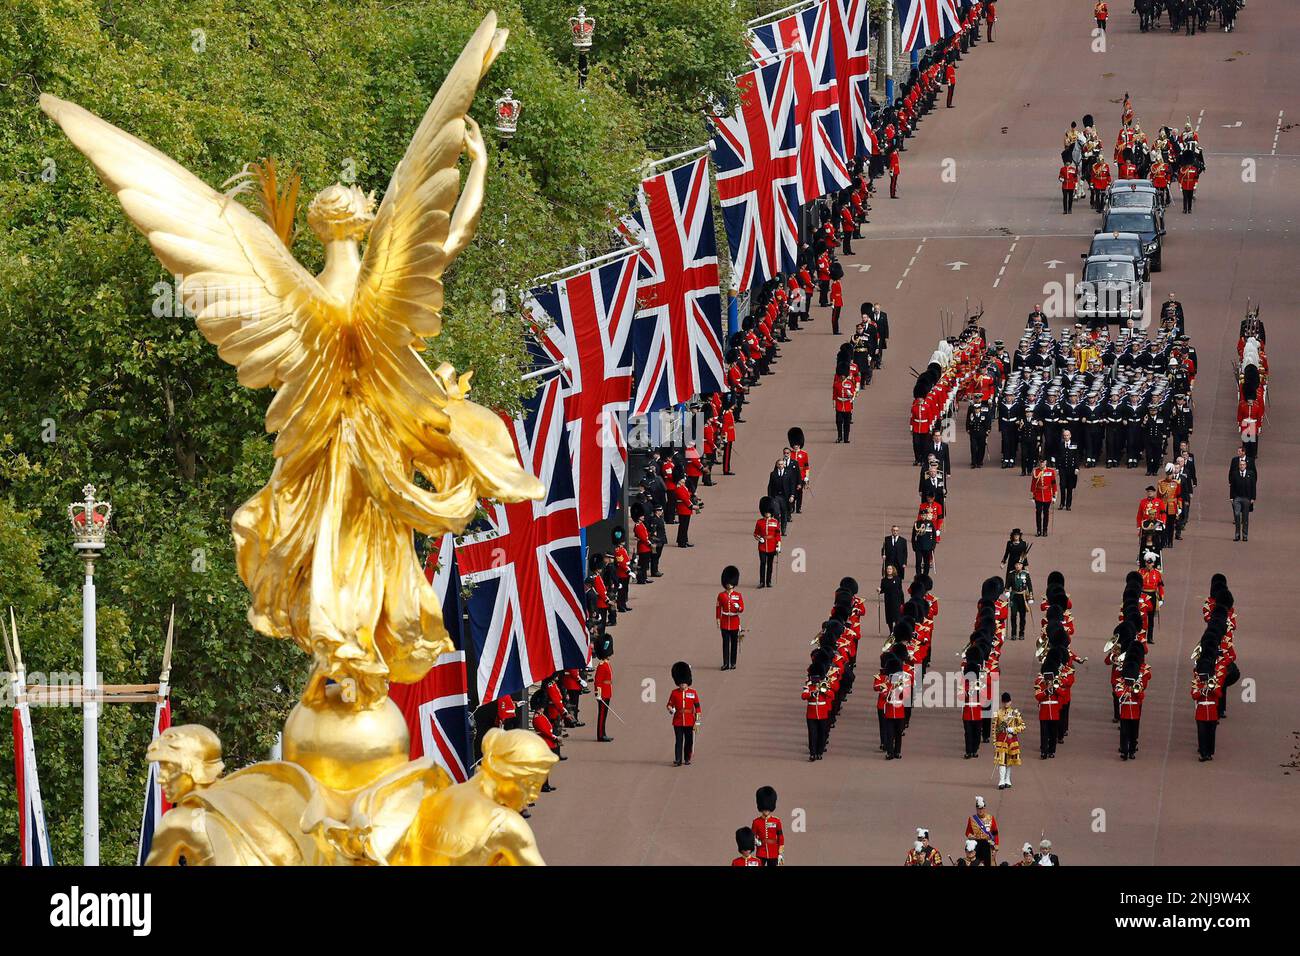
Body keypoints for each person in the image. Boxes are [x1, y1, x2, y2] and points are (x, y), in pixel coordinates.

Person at [1115, 643, 1149, 760]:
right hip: (1124, 711)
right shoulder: (1121, 682)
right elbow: (1118, 693)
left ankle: (1132, 750)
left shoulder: (1137, 683)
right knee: (1124, 733)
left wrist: (1134, 690)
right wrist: (1126, 691)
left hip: (1134, 711)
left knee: (1133, 733)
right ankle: (1124, 751)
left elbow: (1141, 695)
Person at [666, 662, 701, 767]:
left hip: (690, 720)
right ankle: (678, 759)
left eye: (684, 683)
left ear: (688, 682)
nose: (682, 685)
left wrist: (697, 722)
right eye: (680, 683)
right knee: (679, 741)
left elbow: (698, 709)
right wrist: (670, 710)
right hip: (678, 720)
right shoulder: (674, 693)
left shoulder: (693, 693)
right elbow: (669, 705)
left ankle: (687, 758)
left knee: (689, 741)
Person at [993, 692, 1026, 789]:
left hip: (1011, 740)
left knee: (1010, 761)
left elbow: (1023, 726)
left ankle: (1007, 779)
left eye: (1007, 702)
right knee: (1001, 760)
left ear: (1010, 702)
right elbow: (995, 729)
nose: (1006, 704)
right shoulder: (997, 713)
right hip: (1001, 739)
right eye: (1004, 702)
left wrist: (1013, 729)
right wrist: (994, 741)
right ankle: (1001, 780)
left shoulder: (1015, 713)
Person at [716, 565, 745, 671]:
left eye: (731, 582)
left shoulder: (738, 595)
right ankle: (725, 663)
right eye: (727, 582)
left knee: (733, 644)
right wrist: (718, 619)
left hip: (734, 622)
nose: (729, 584)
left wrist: (739, 608)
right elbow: (718, 607)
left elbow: (742, 608)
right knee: (725, 644)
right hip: (724, 621)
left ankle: (733, 663)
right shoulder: (721, 595)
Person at [802, 661, 831, 761]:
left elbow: (832, 695)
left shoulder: (824, 685)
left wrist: (824, 690)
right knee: (812, 734)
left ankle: (819, 752)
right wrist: (812, 694)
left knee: (821, 733)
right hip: (811, 714)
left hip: (822, 714)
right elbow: (803, 696)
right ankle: (813, 753)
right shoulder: (808, 686)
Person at [1228, 447, 1257, 541]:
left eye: (1243, 465)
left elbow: (1253, 486)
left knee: (1245, 517)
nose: (1241, 466)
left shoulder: (1250, 474)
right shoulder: (1235, 474)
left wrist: (1253, 498)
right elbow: (1232, 486)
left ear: (1246, 466)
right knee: (1237, 515)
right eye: (1240, 465)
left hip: (1247, 498)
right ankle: (1237, 535)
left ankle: (1245, 535)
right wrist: (1231, 497)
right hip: (1237, 498)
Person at [754, 497, 782, 589]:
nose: (767, 513)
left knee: (770, 564)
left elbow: (778, 535)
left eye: (768, 512)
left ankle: (768, 581)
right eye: (765, 512)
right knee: (762, 563)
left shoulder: (775, 522)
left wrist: (778, 545)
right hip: (762, 546)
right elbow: (755, 533)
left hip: (772, 545)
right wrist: (759, 538)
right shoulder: (759, 522)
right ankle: (762, 582)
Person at [752, 787, 784, 866]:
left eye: (767, 809)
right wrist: (756, 842)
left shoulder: (777, 821)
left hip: (774, 852)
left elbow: (780, 837)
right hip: (761, 852)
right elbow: (752, 836)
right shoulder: (756, 822)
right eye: (764, 809)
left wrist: (780, 853)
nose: (766, 811)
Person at [965, 796, 999, 865]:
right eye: (978, 809)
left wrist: (996, 844)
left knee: (988, 863)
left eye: (982, 808)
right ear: (976, 809)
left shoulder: (990, 818)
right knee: (975, 863)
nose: (980, 810)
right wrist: (970, 836)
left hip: (987, 843)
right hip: (976, 844)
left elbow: (995, 832)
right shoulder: (972, 819)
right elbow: (967, 832)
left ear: (984, 808)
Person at [593, 634, 614, 742]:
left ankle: (603, 733)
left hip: (607, 691)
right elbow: (597, 682)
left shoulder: (606, 664)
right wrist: (598, 694)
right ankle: (600, 735)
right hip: (603, 694)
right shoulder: (602, 666)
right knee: (601, 716)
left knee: (604, 715)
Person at [1030, 458, 1059, 537]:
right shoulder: (1036, 471)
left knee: (1046, 513)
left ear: (1046, 462)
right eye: (1040, 462)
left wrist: (1054, 496)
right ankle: (1039, 530)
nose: (1042, 464)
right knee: (1038, 512)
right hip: (1038, 495)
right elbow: (1033, 484)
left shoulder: (1051, 471)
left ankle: (1045, 530)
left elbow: (1053, 484)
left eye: (1043, 462)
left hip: (1047, 495)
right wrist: (1032, 496)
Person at [788, 427, 811, 513]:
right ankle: (792, 507)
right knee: (791, 491)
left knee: (799, 492)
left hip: (801, 476)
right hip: (791, 476)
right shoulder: (790, 453)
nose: (795, 445)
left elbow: (806, 467)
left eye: (797, 444)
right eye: (794, 444)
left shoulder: (804, 454)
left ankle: (798, 507)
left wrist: (807, 478)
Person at [1008, 561, 1032, 640]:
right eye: (1016, 564)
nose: (1018, 566)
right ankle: (1013, 634)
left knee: (1022, 616)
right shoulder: (1011, 574)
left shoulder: (1026, 574)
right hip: (1014, 596)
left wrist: (1030, 598)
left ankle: (1021, 633)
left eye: (1019, 564)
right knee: (1013, 615)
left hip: (1023, 597)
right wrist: (1007, 592)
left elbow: (1030, 586)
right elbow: (1007, 586)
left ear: (1022, 566)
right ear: (1014, 565)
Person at [967, 399, 992, 467]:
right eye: (975, 409)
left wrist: (988, 430)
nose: (976, 410)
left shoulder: (983, 415)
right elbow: (968, 421)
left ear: (980, 409)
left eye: (978, 409)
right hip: (974, 433)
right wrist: (968, 429)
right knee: (973, 447)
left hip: (982, 433)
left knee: (981, 447)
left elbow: (987, 422)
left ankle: (979, 461)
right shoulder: (972, 415)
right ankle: (974, 462)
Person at [879, 565, 904, 631]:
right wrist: (879, 590)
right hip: (888, 600)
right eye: (887, 569)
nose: (888, 570)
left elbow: (901, 591)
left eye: (890, 569)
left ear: (893, 570)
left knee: (897, 617)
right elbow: (882, 590)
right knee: (889, 617)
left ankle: (896, 631)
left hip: (896, 600)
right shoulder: (883, 580)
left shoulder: (898, 579)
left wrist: (902, 602)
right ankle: (891, 631)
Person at [1058, 149, 1077, 213]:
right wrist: (1061, 179)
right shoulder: (1062, 169)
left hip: (1071, 185)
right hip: (1065, 185)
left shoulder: (1073, 169)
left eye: (1068, 162)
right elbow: (1060, 176)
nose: (1067, 163)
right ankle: (1065, 210)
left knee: (1070, 198)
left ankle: (1070, 209)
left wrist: (1076, 185)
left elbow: (1075, 177)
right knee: (1065, 198)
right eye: (1067, 162)